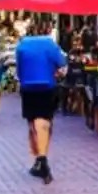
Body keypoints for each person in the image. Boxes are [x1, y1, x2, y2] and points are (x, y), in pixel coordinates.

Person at [15, 20, 67, 184]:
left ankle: (39, 158)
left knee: (32, 123)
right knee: (43, 122)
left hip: (28, 87)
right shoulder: (50, 44)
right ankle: (42, 159)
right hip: (46, 86)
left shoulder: (21, 45)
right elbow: (62, 63)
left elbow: (19, 69)